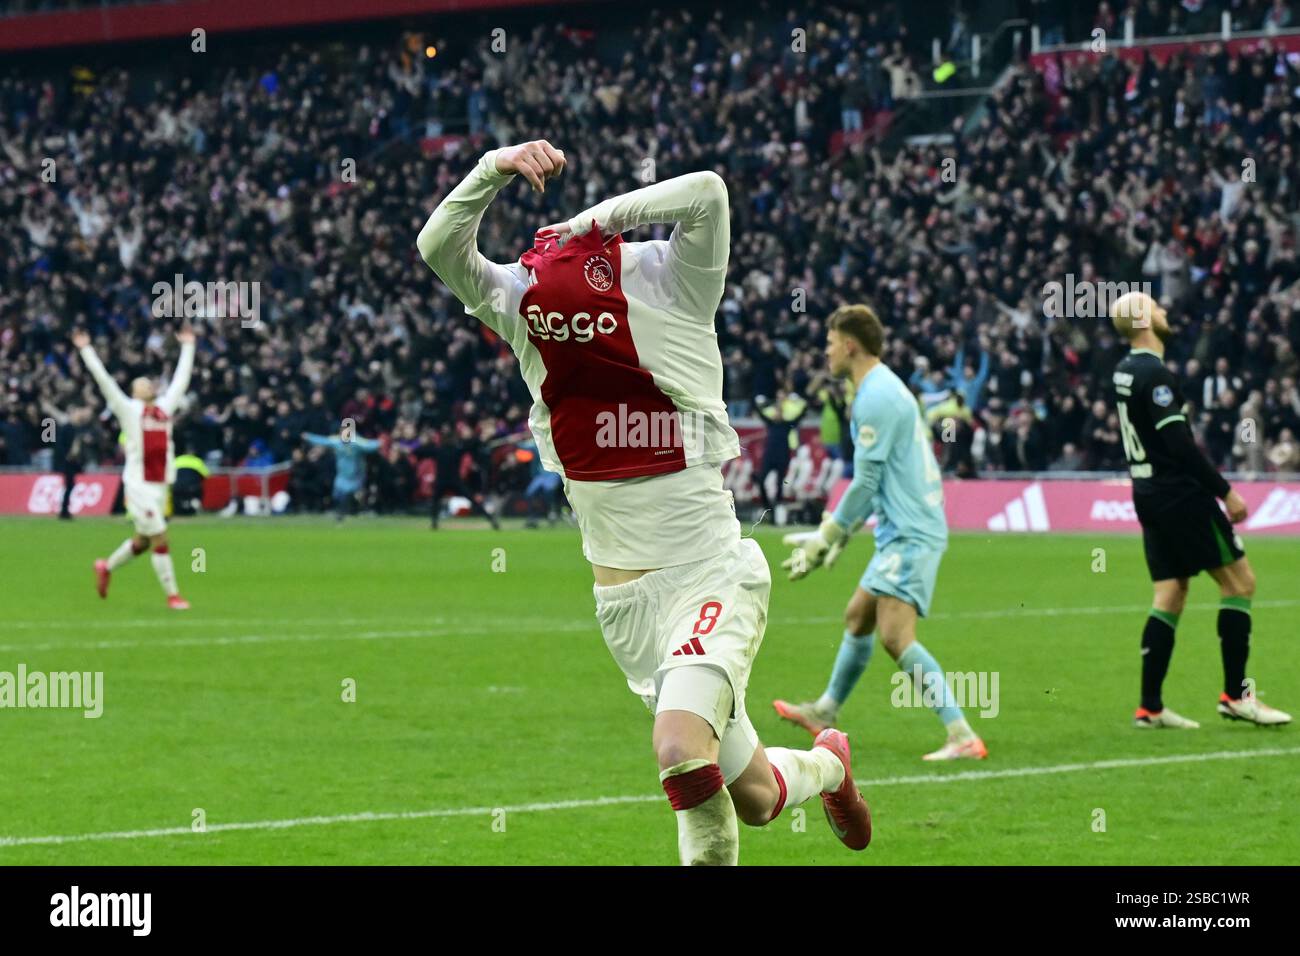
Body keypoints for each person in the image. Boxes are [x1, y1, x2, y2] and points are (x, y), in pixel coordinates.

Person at [418, 140, 870, 865]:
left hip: (707, 577)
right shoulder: (524, 302)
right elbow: (437, 244)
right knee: (752, 798)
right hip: (627, 613)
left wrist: (597, 220)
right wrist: (495, 165)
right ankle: (830, 767)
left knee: (680, 752)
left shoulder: (672, 282)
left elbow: (708, 192)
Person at [773, 304, 989, 761]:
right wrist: (843, 535)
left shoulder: (876, 397)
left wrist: (829, 533)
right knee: (858, 616)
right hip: (902, 526)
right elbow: (878, 477)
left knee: (895, 636)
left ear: (850, 344)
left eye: (830, 343)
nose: (825, 351)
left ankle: (962, 735)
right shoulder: (880, 389)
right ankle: (826, 710)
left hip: (911, 530)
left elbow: (867, 482)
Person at [1109, 291, 1290, 728]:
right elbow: (1181, 447)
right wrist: (1225, 492)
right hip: (1178, 493)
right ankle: (1236, 695)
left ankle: (1149, 706)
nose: (1164, 311)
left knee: (1171, 592)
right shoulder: (1156, 376)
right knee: (1241, 583)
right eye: (1155, 306)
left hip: (1146, 491)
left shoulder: (1123, 371)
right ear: (1141, 319)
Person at [74, 327, 196, 610]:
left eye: (150, 383)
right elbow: (104, 381)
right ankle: (172, 595)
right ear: (134, 392)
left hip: (159, 484)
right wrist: (86, 350)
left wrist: (188, 346)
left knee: (141, 541)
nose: (149, 385)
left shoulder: (164, 408)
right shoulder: (128, 410)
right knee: (160, 538)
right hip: (139, 485)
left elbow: (181, 380)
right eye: (142, 384)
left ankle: (105, 566)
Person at [302, 430, 381, 520]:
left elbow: (369, 445)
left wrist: (381, 442)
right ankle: (341, 512)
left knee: (356, 495)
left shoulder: (356, 442)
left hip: (356, 475)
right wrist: (309, 437)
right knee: (338, 495)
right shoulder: (337, 442)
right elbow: (323, 441)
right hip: (342, 475)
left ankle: (359, 510)